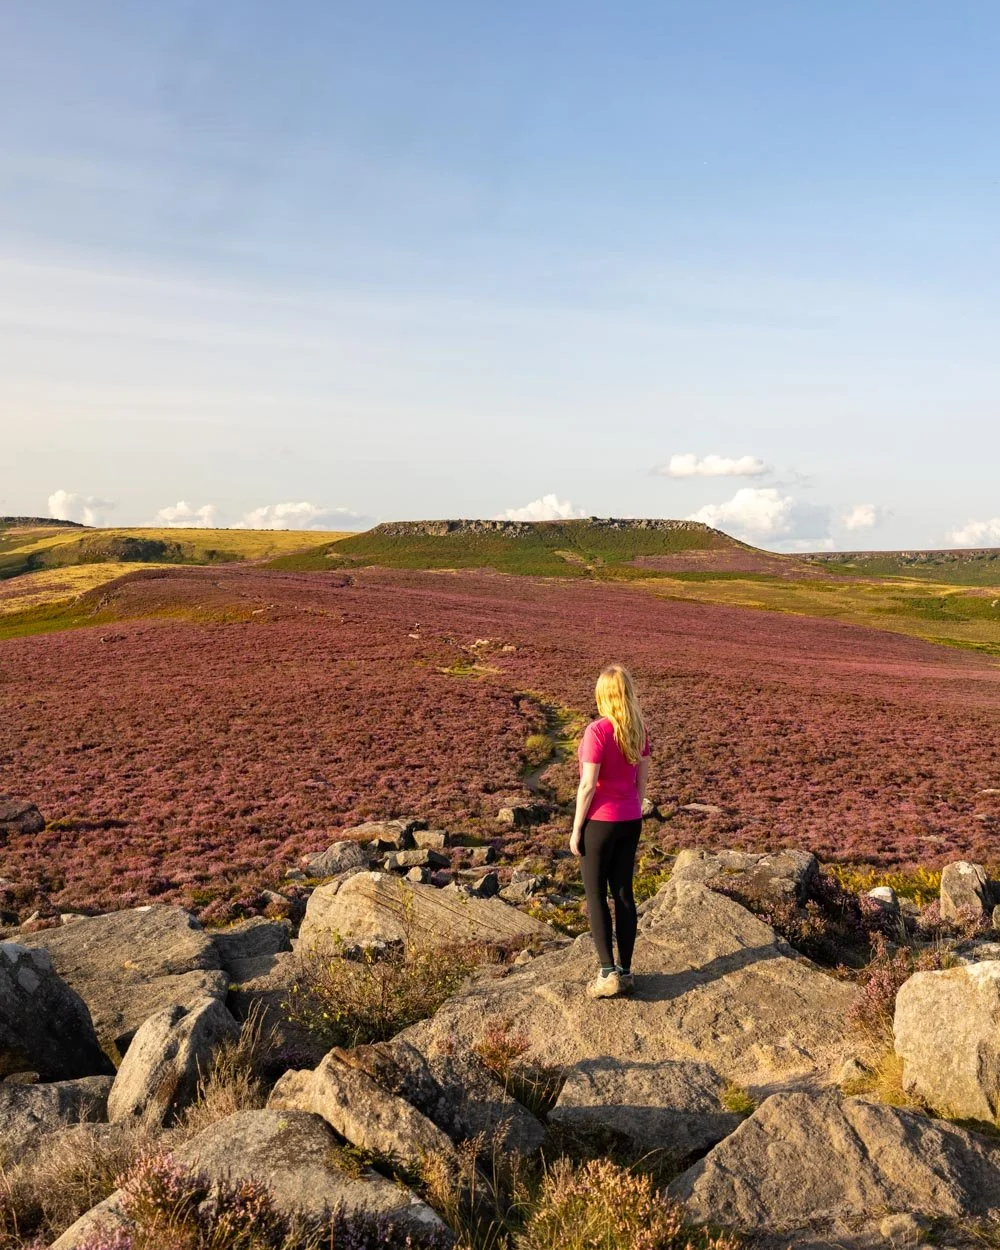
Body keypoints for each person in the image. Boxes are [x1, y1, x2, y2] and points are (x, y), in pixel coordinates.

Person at [570, 664, 650, 999]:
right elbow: (641, 780)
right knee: (624, 894)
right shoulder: (639, 730)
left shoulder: (598, 731)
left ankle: (607, 973)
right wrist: (635, 806)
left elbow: (587, 786)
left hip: (600, 823)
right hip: (630, 820)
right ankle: (627, 971)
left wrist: (576, 830)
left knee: (595, 895)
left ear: (603, 695)